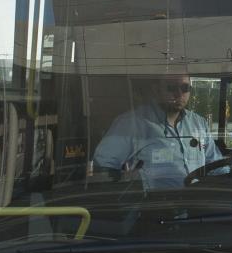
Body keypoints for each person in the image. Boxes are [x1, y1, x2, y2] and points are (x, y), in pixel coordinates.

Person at [92, 69, 225, 189]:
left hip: (196, 208)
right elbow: (103, 168)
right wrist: (132, 189)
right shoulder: (132, 123)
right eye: (171, 87)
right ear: (156, 90)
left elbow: (215, 165)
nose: (179, 94)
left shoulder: (198, 123)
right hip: (153, 208)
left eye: (185, 88)